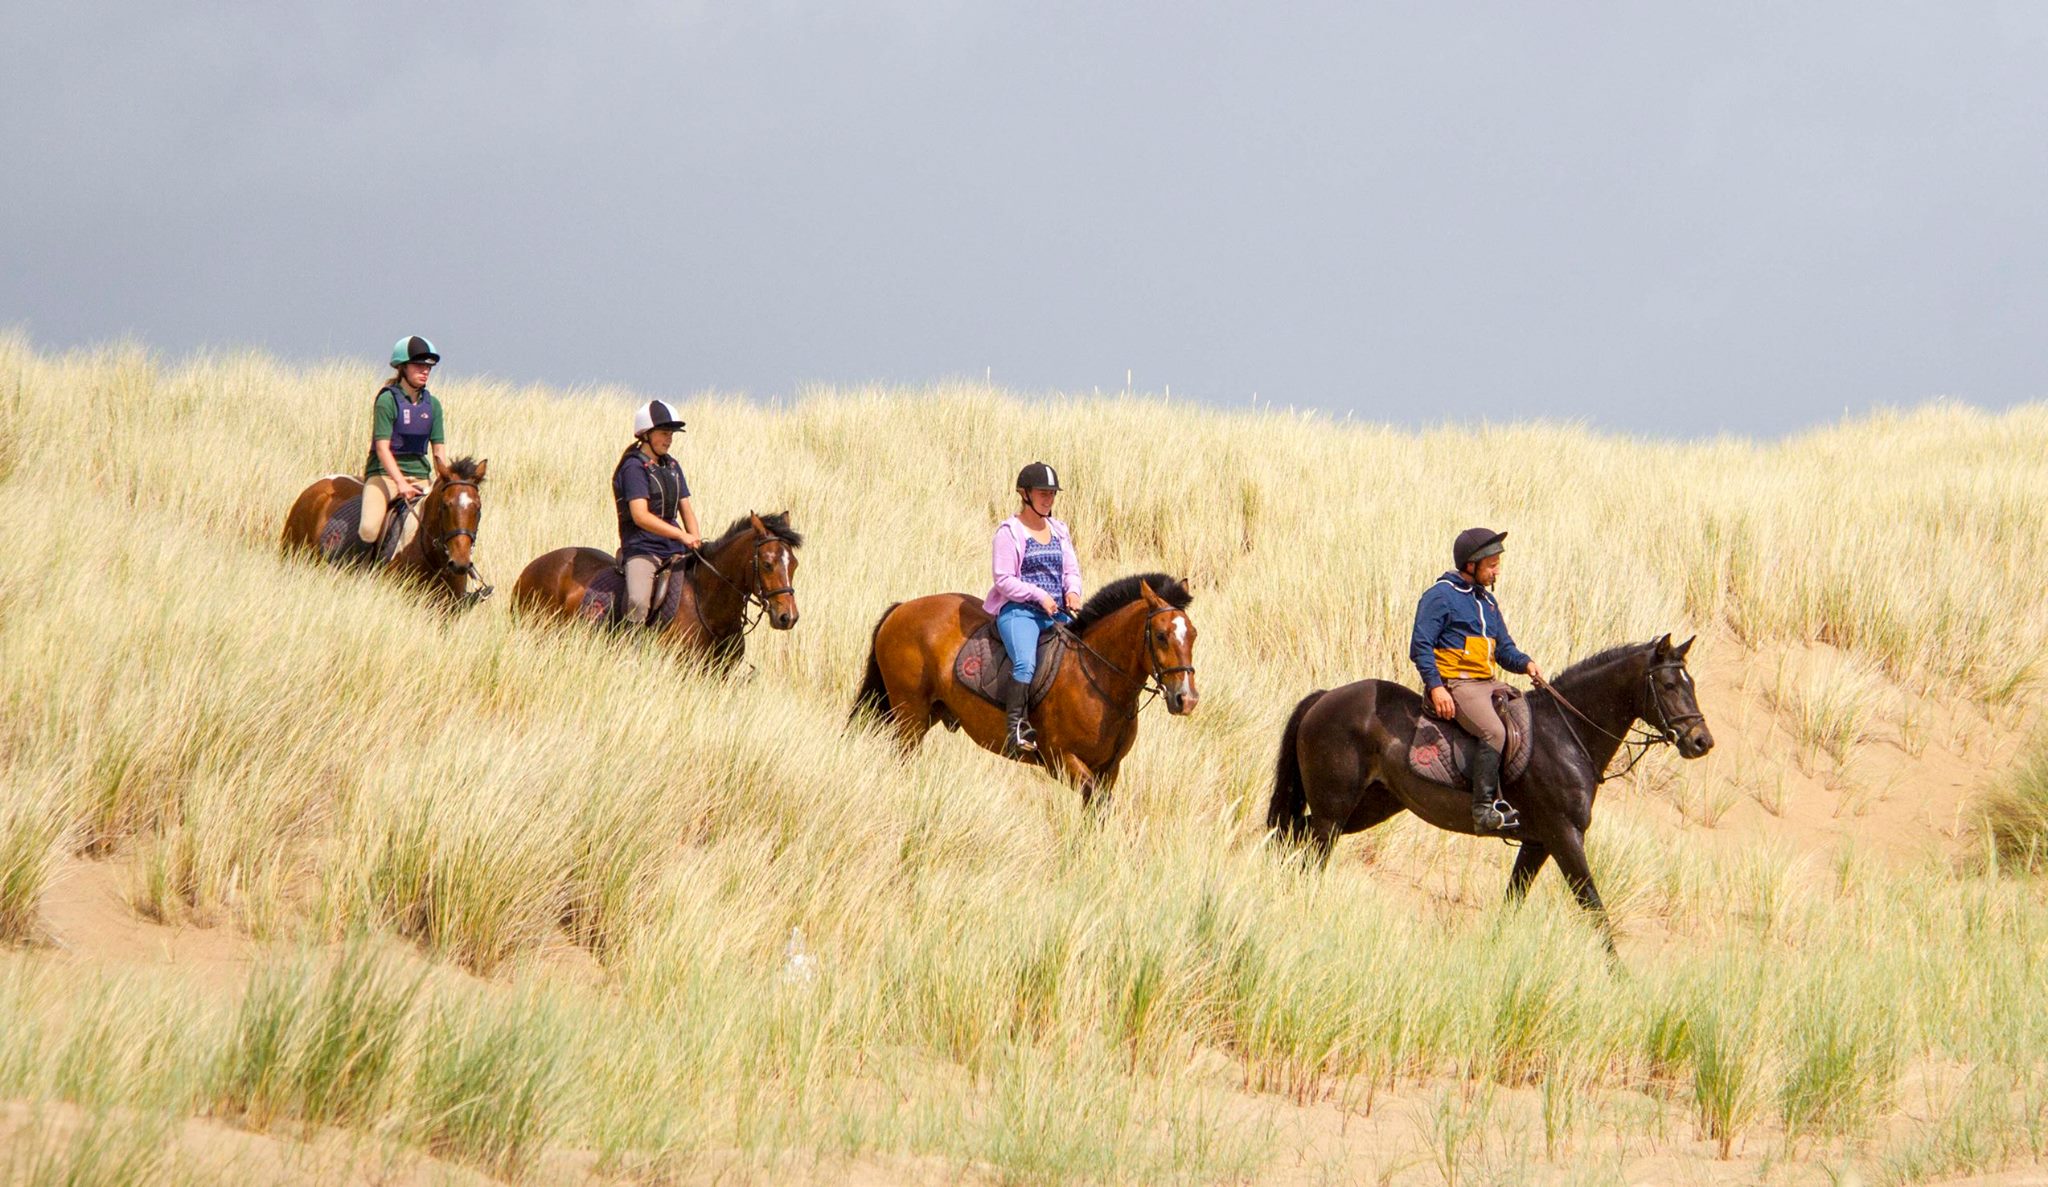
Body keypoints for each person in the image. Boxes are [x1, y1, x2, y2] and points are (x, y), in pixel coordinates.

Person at [1410, 527, 1547, 832]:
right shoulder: (1440, 596)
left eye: (1498, 564)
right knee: (1494, 733)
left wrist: (1526, 663)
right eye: (1492, 565)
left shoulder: (1487, 603)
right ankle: (1482, 810)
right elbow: (1420, 645)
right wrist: (1436, 688)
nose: (1497, 571)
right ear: (1471, 565)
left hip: (1487, 682)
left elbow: (1505, 650)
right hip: (1458, 685)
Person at [983, 462, 1083, 754]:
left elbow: (1071, 570)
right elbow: (1003, 580)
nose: (1049, 499)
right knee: (1025, 662)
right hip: (1019, 612)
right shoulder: (1009, 531)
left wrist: (1073, 592)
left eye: (1052, 493)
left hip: (1056, 613)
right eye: (1043, 492)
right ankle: (1016, 728)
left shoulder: (1059, 530)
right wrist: (1039, 595)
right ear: (1024, 494)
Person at [351, 335, 451, 563]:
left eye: (428, 367)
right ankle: (358, 574)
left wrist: (443, 481)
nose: (425, 371)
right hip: (384, 477)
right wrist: (401, 483)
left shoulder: (433, 405)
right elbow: (383, 448)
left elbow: (438, 450)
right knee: (369, 527)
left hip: (420, 477)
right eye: (419, 365)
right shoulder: (387, 400)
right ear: (402, 367)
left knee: (450, 524)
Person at [613, 400, 701, 627]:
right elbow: (640, 516)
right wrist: (681, 535)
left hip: (674, 548)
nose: (669, 439)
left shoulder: (672, 465)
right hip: (643, 548)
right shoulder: (633, 468)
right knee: (638, 600)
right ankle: (630, 647)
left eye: (671, 434)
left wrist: (695, 539)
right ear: (646, 435)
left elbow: (686, 508)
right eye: (664, 433)